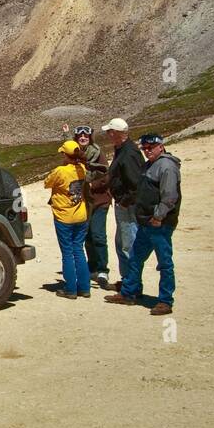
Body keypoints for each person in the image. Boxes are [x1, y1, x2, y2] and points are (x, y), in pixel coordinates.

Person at [105, 133, 181, 315]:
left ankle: (165, 301)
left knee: (164, 263)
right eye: (145, 148)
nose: (147, 151)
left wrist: (158, 216)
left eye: (151, 148)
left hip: (159, 224)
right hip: (146, 222)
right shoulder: (149, 165)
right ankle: (129, 292)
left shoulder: (166, 166)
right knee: (135, 257)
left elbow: (170, 196)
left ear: (160, 146)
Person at [62, 123, 110, 287]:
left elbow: (106, 176)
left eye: (86, 136)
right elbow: (68, 151)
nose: (83, 138)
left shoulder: (97, 154)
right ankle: (92, 267)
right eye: (80, 136)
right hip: (84, 203)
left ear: (90, 138)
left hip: (99, 200)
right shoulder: (75, 156)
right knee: (87, 236)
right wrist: (66, 134)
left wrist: (92, 185)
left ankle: (103, 269)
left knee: (98, 235)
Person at [99, 117, 145, 291]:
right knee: (121, 243)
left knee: (128, 244)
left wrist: (125, 201)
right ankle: (127, 281)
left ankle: (131, 287)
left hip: (127, 205)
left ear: (118, 133)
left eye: (110, 132)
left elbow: (136, 183)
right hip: (122, 203)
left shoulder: (129, 153)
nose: (108, 135)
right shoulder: (122, 150)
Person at [44, 140, 90, 299]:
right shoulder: (82, 169)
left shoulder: (60, 171)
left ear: (65, 155)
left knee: (67, 252)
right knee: (79, 249)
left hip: (64, 216)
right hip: (81, 215)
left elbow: (46, 183)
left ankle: (70, 288)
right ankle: (84, 287)